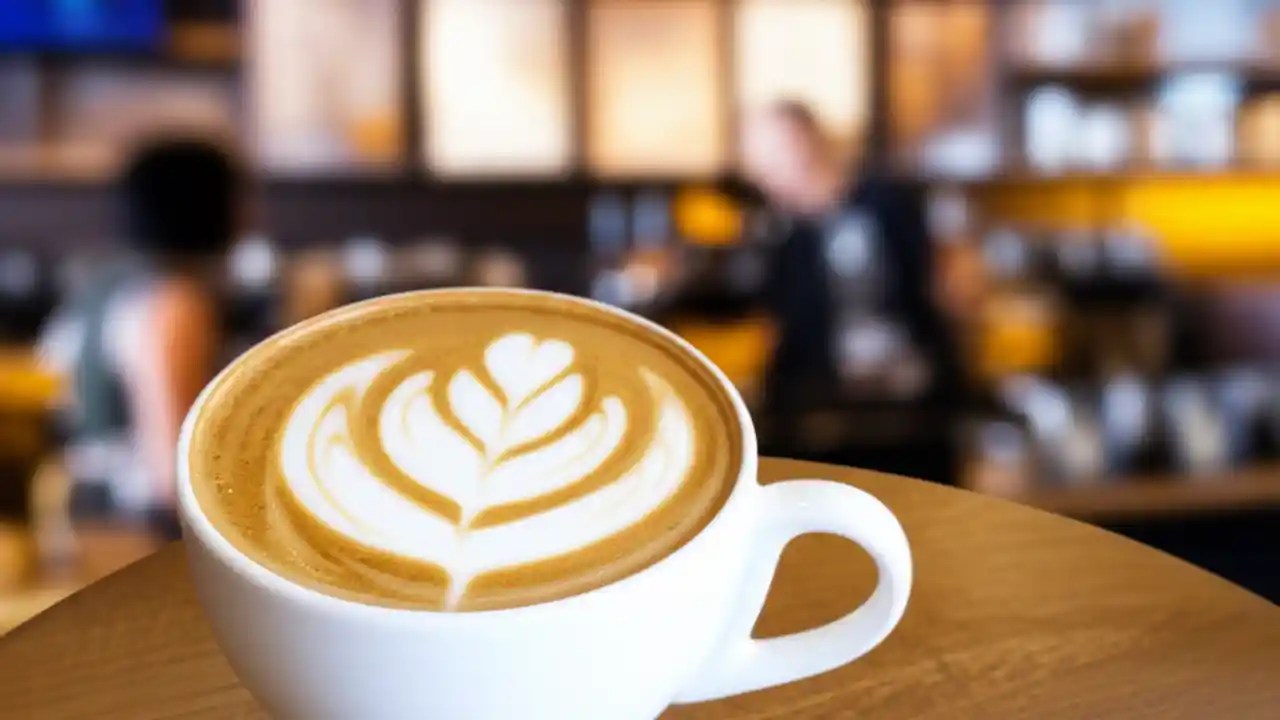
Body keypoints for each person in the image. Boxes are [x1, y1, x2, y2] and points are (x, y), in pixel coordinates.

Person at [740, 101, 959, 481]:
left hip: (911, 413)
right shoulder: (783, 238)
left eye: (771, 160)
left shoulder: (888, 204)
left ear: (808, 143)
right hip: (821, 422)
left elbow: (939, 286)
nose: (765, 176)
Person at [39, 138, 241, 538]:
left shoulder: (97, 289)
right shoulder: (174, 303)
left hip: (72, 517)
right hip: (132, 529)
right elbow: (171, 471)